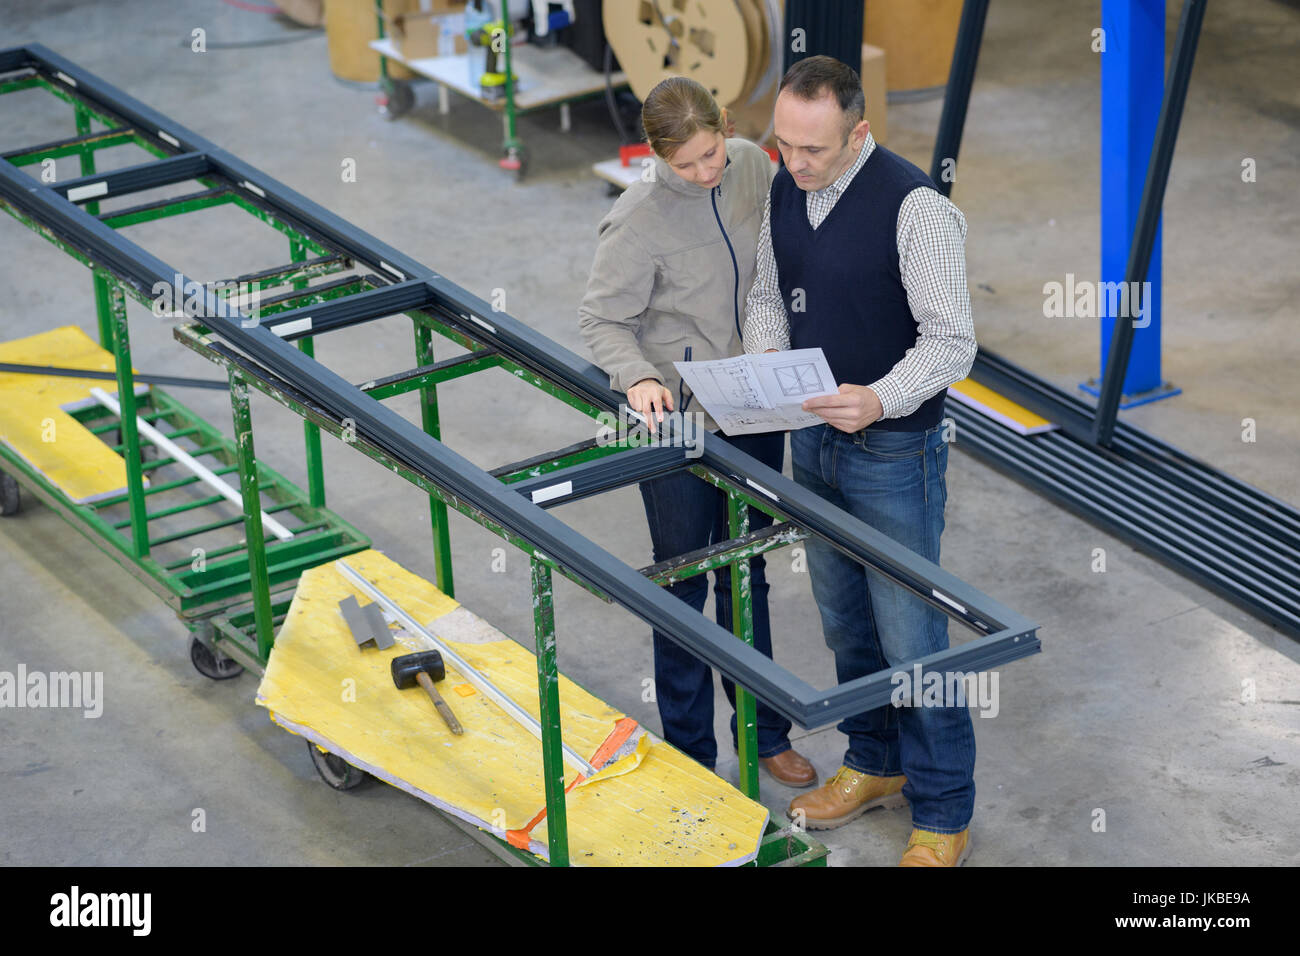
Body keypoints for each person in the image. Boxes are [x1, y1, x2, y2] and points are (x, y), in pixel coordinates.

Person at [743, 55, 978, 865]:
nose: (794, 164)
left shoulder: (915, 210)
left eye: (814, 150)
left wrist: (880, 396)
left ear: (860, 133)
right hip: (812, 437)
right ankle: (876, 764)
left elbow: (952, 342)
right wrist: (769, 355)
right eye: (783, 146)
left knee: (913, 634)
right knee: (845, 620)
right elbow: (771, 290)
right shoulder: (786, 184)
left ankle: (944, 810)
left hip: (893, 451)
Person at [579, 76, 816, 787]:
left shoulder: (752, 165)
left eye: (711, 153)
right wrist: (639, 377)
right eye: (687, 165)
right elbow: (602, 321)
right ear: (656, 154)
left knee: (751, 567)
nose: (705, 172)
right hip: (677, 419)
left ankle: (764, 728)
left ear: (725, 129)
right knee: (682, 579)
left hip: (753, 403)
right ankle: (691, 754)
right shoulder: (638, 217)